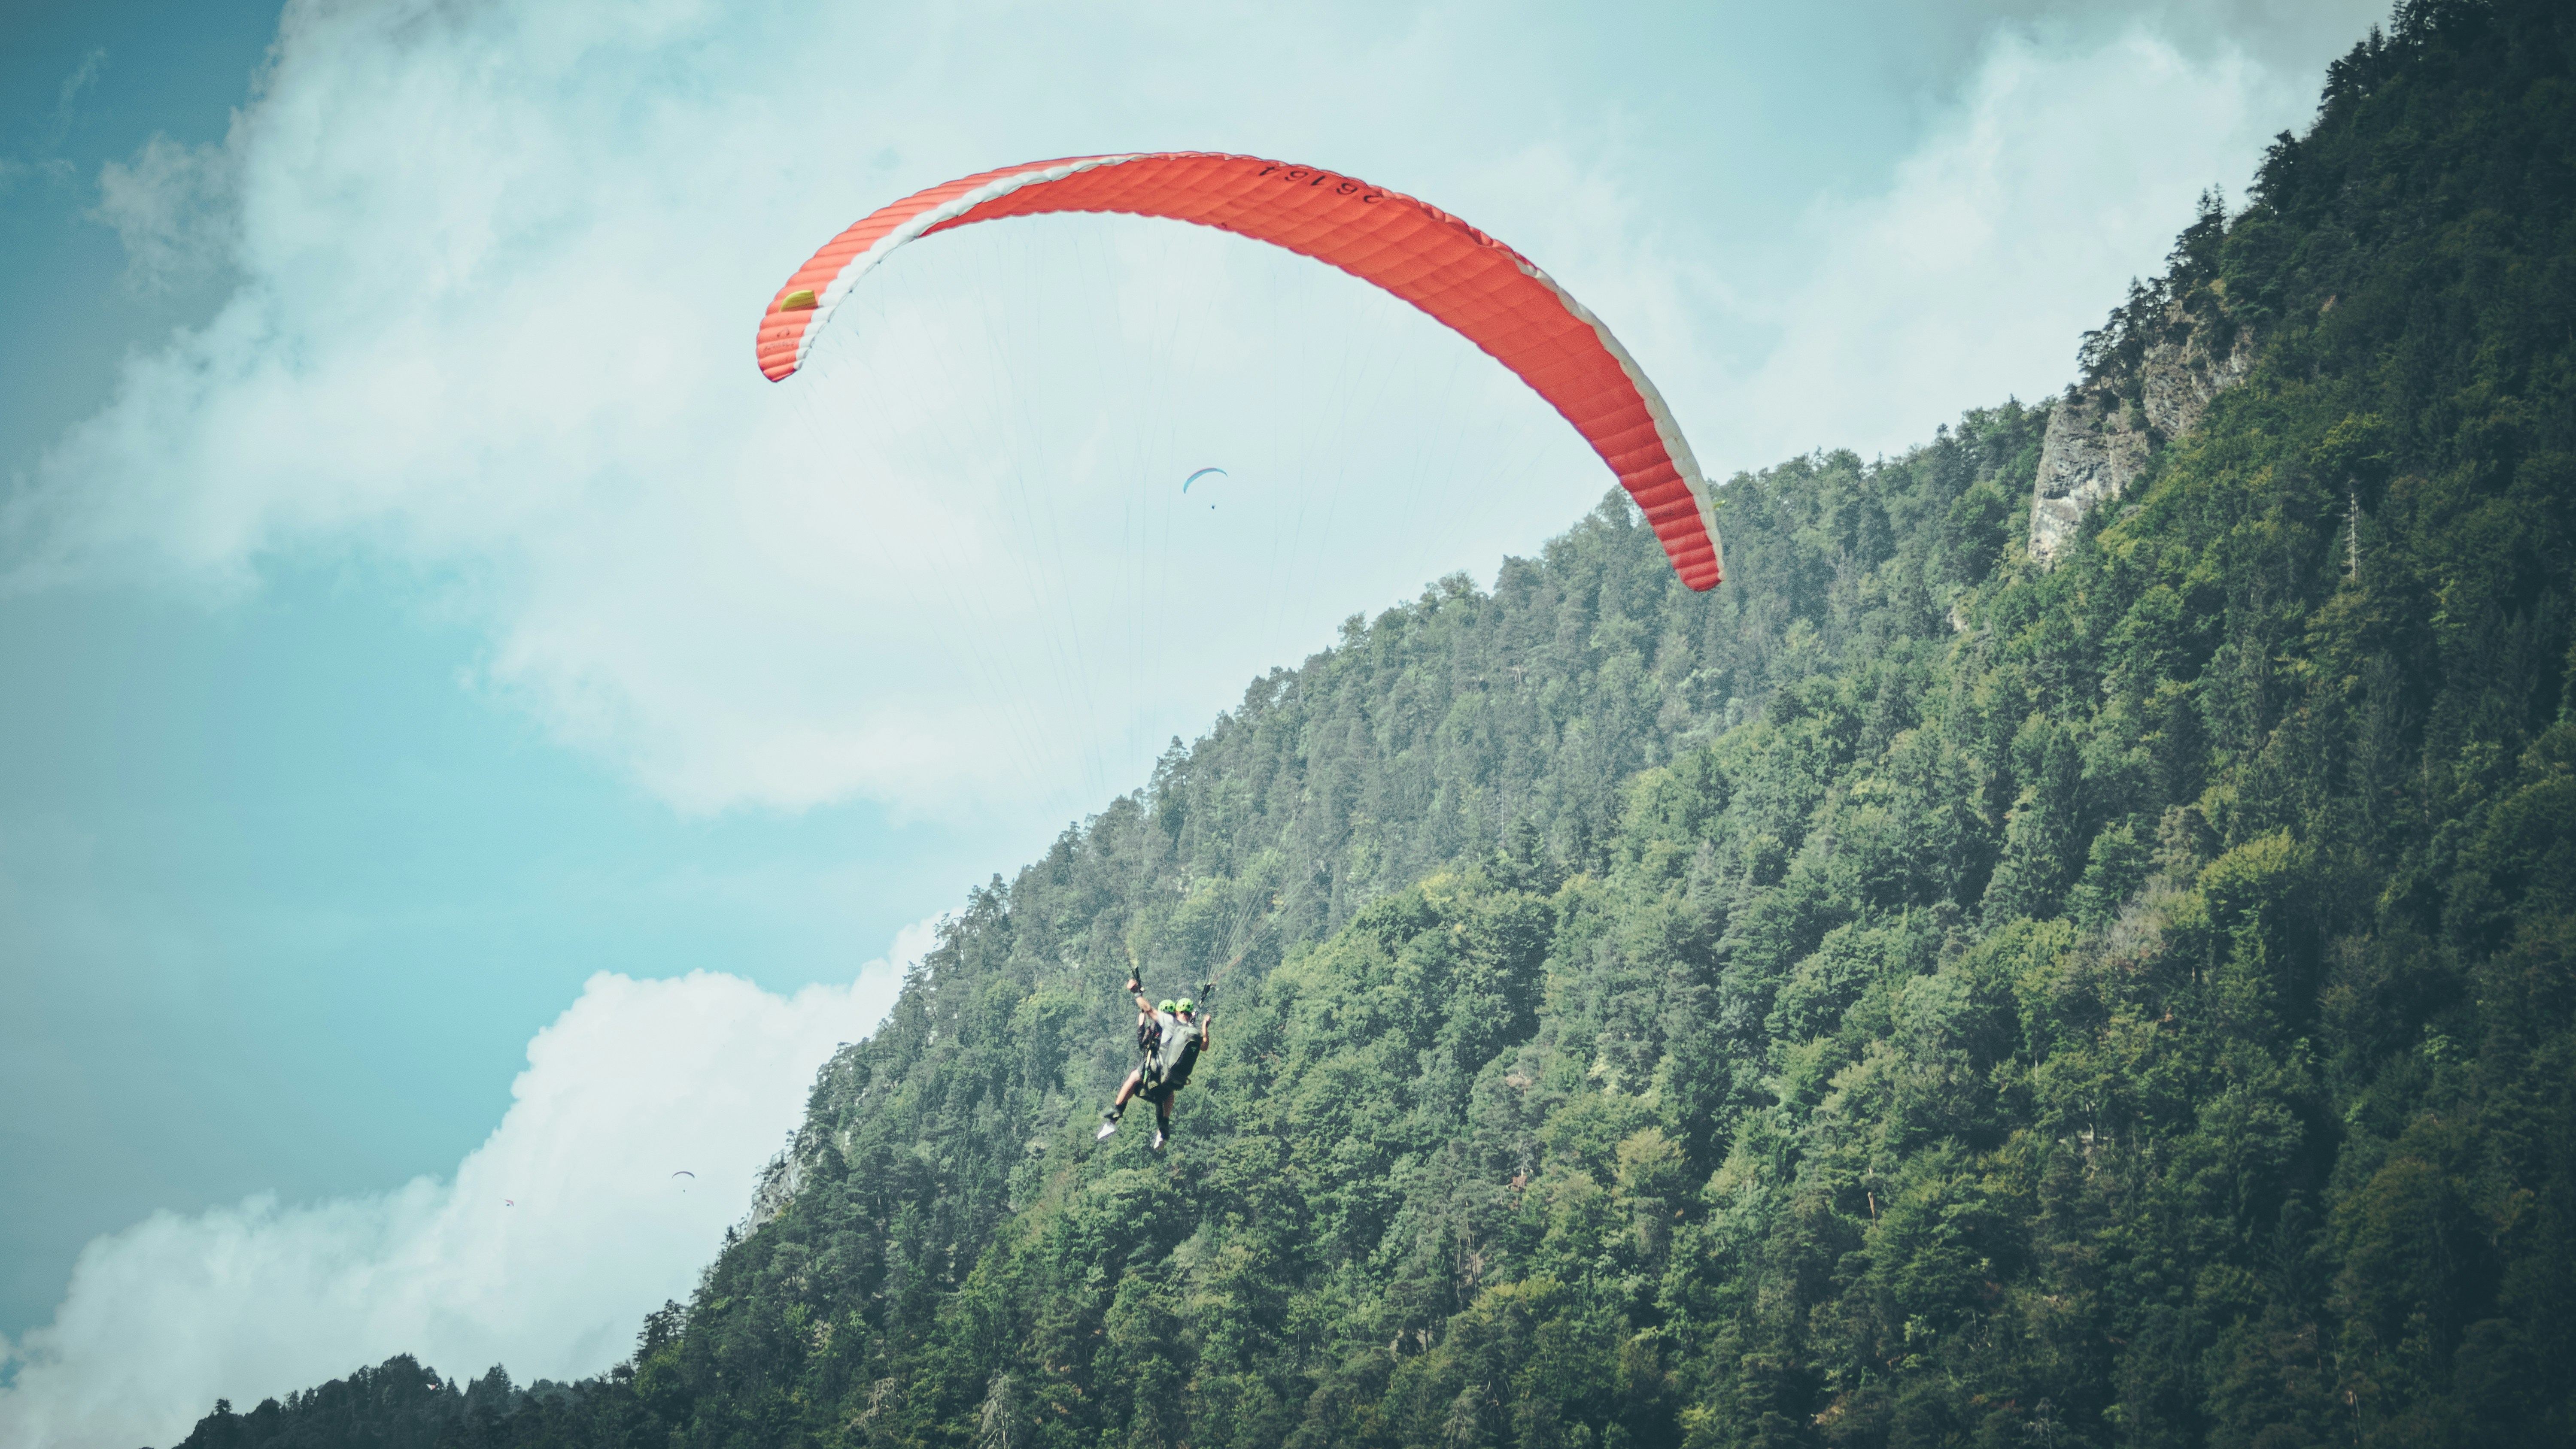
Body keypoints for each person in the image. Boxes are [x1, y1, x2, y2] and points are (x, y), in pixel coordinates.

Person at [1097, 978, 1210, 1149]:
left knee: (1134, 1077)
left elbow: (1148, 1009)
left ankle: (1114, 1116)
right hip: (1175, 1078)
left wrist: (1136, 993)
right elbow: (1204, 1047)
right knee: (1167, 1094)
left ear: (1177, 1011)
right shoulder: (1193, 1031)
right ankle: (1162, 1132)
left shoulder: (1171, 1021)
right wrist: (1204, 1026)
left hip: (1156, 1068)